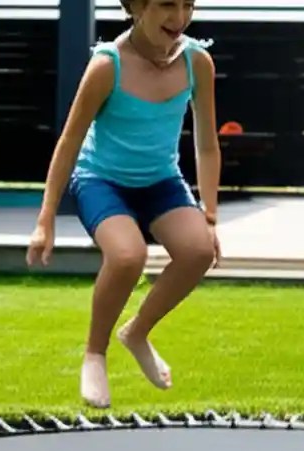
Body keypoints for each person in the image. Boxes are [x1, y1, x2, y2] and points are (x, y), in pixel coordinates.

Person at [27, 0, 221, 409]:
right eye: (168, 5)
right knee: (127, 255)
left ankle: (137, 332)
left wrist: (210, 215)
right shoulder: (107, 65)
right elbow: (69, 142)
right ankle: (95, 353)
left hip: (160, 181)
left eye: (188, 5)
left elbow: (206, 143)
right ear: (134, 6)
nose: (180, 17)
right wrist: (45, 219)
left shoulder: (196, 61)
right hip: (101, 180)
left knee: (198, 252)